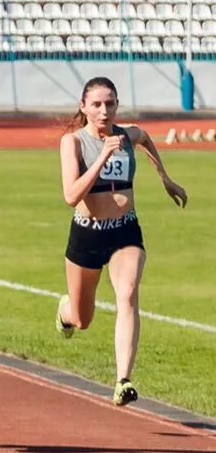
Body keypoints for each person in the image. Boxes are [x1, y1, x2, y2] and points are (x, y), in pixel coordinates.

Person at [58, 76, 188, 406]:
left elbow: (144, 137)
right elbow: (71, 196)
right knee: (82, 319)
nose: (105, 111)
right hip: (87, 233)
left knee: (127, 293)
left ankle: (123, 380)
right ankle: (65, 313)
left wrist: (165, 179)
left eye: (111, 103)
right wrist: (102, 156)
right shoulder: (73, 143)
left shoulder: (126, 135)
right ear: (83, 106)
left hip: (125, 230)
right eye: (98, 104)